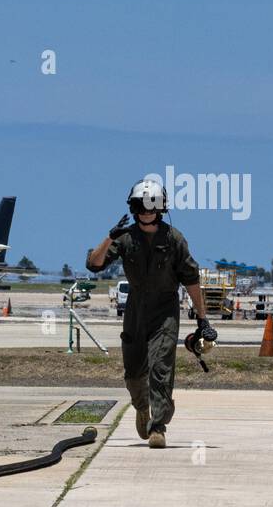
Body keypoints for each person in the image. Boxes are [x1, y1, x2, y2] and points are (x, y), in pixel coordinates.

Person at [86, 179, 217, 448]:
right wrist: (110, 236)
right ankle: (142, 407)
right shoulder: (125, 238)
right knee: (133, 372)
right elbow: (94, 264)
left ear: (161, 208)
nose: (147, 211)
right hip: (135, 309)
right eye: (141, 206)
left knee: (160, 367)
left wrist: (203, 320)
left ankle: (158, 426)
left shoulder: (174, 239)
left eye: (152, 206)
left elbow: (191, 280)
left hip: (165, 310)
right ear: (134, 208)